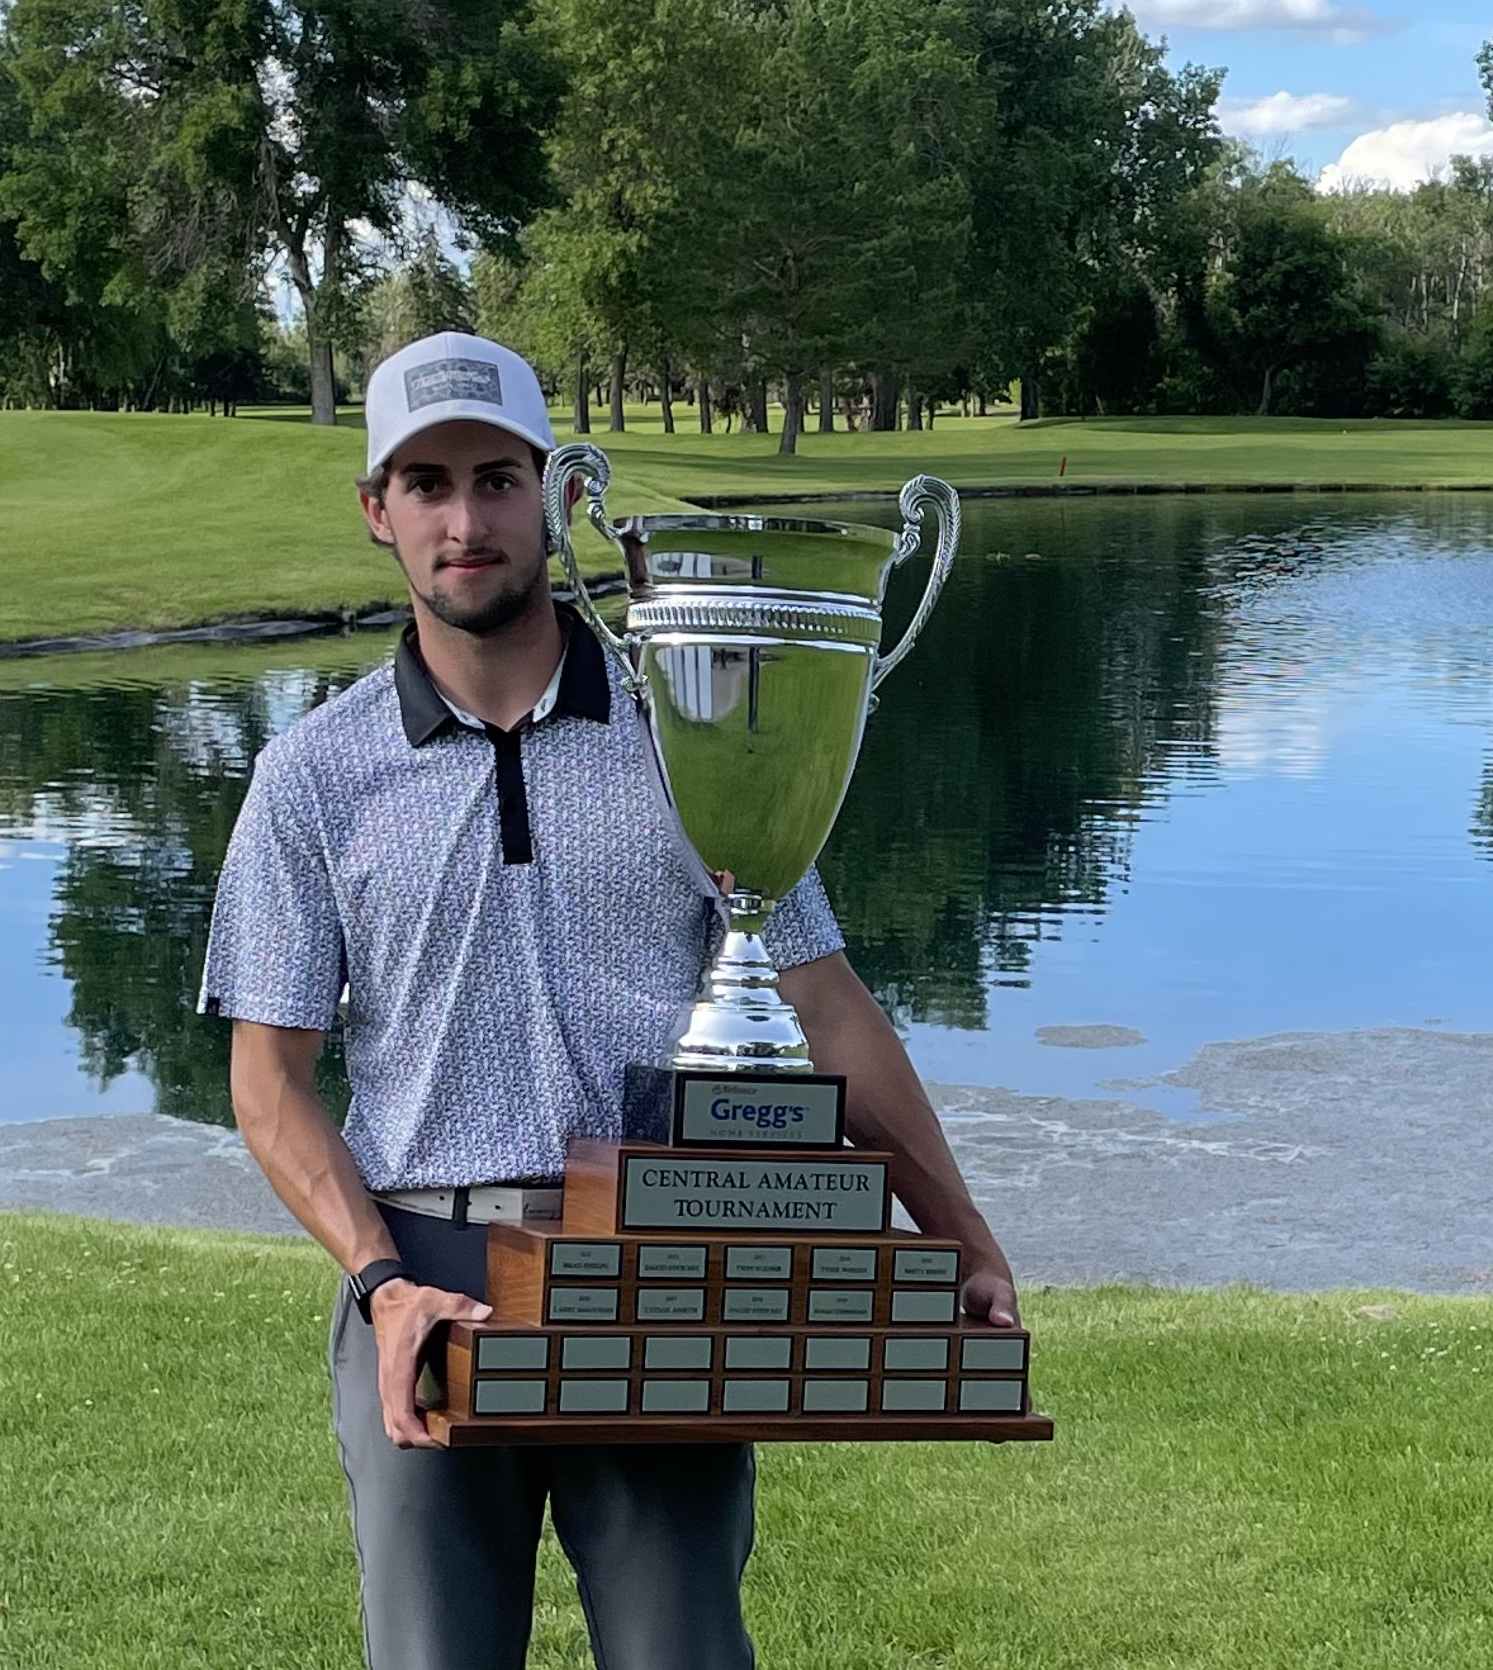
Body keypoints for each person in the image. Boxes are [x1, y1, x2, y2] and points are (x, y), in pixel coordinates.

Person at [199, 331, 1019, 1670]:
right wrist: (379, 1282)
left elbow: (821, 1003)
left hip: (663, 1264)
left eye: (498, 478)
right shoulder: (313, 774)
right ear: (377, 512)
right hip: (429, 1269)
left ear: (557, 494)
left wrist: (961, 1230)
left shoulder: (698, 732)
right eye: (427, 484)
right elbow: (266, 1080)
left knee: (679, 1653)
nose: (466, 520)